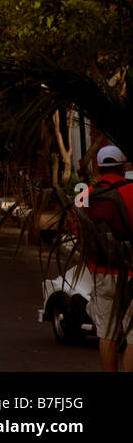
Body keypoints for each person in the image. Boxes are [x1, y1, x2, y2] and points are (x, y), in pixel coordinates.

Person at [80, 145, 133, 371]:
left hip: (100, 272)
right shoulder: (131, 191)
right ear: (123, 167)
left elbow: (79, 234)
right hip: (130, 273)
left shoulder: (85, 195)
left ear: (98, 168)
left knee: (107, 334)